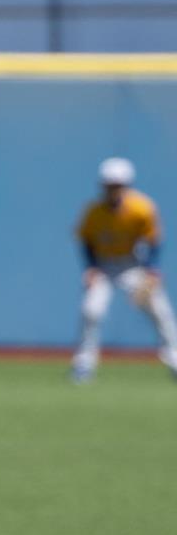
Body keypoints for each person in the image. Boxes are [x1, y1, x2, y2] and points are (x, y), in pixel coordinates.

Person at [71, 156, 177, 383]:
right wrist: (90, 268)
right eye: (110, 185)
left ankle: (175, 360)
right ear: (103, 186)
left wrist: (153, 269)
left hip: (132, 264)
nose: (114, 190)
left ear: (127, 186)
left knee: (160, 310)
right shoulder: (94, 212)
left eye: (118, 185)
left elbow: (154, 239)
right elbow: (86, 240)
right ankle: (83, 365)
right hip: (104, 266)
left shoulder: (142, 207)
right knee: (91, 310)